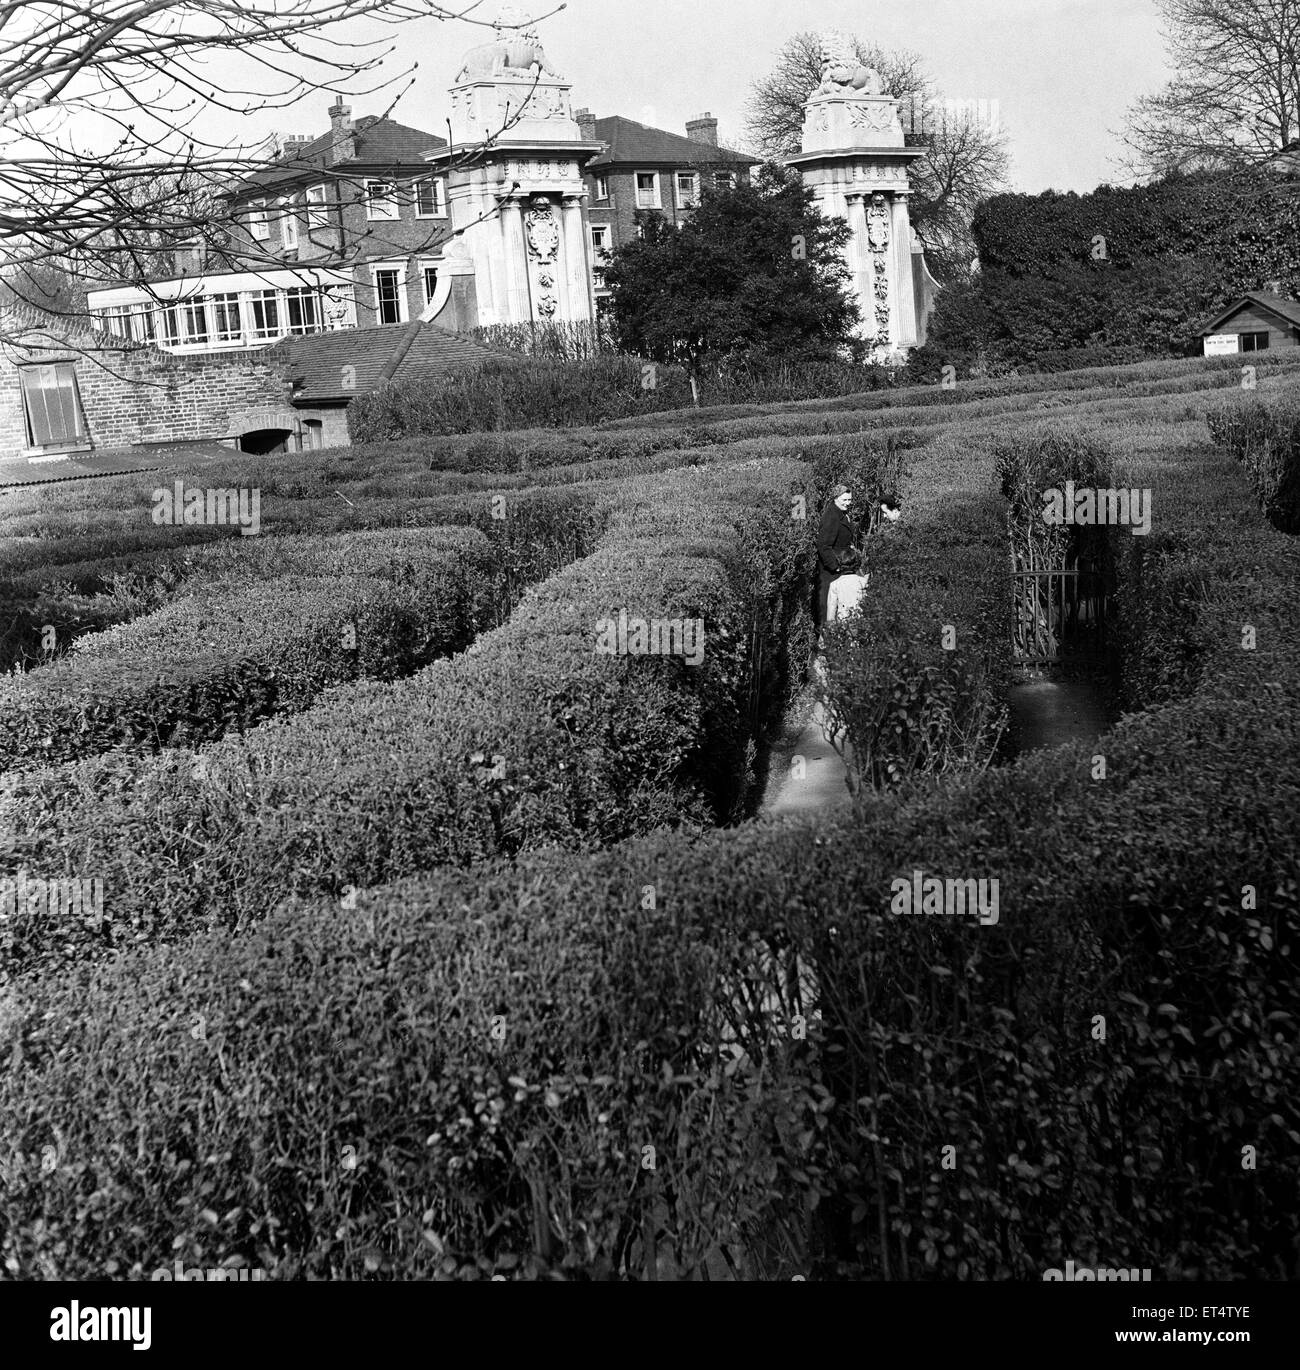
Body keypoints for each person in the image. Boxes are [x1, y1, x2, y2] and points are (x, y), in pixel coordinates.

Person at [815, 483, 862, 643]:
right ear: (836, 498)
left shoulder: (841, 513)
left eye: (850, 500)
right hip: (832, 571)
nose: (848, 502)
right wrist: (836, 567)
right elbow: (823, 546)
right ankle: (825, 643)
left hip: (842, 565)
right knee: (828, 607)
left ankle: (839, 641)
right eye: (845, 499)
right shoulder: (831, 516)